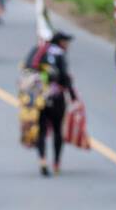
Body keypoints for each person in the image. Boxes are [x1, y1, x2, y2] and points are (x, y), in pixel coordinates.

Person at [24, 32, 78, 175]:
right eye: (66, 42)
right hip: (56, 97)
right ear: (60, 42)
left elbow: (26, 70)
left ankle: (42, 160)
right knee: (57, 130)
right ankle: (56, 163)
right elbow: (65, 76)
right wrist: (72, 95)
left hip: (39, 97)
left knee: (41, 129)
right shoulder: (59, 53)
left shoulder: (37, 51)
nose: (67, 45)